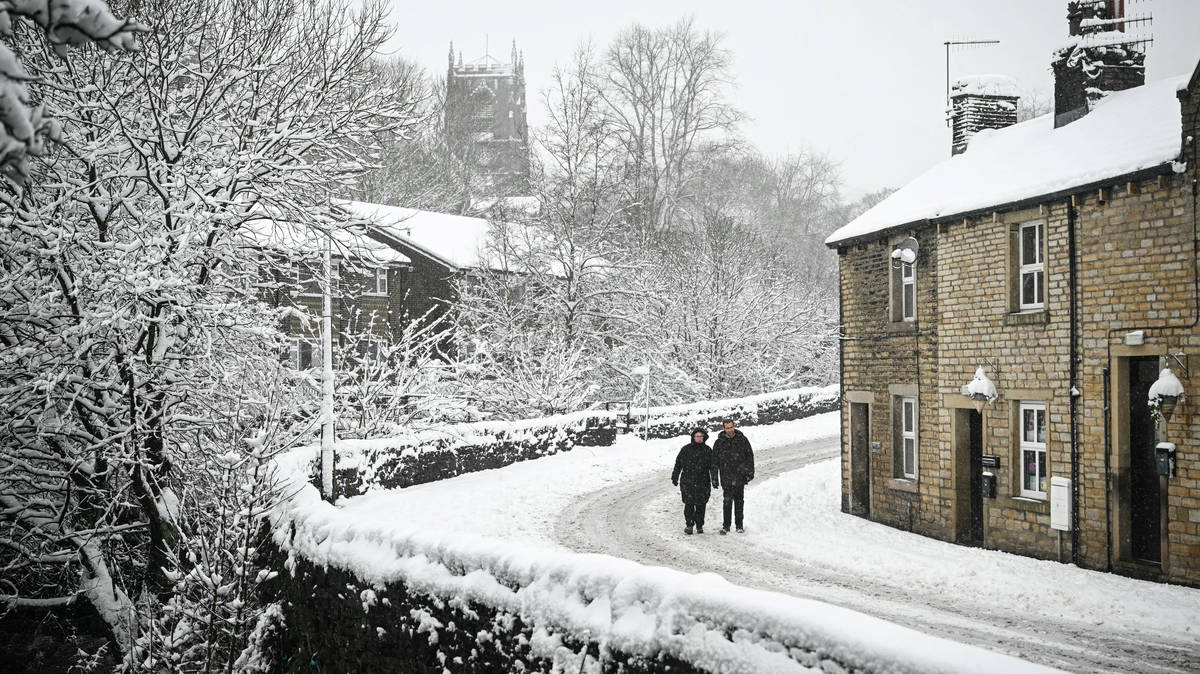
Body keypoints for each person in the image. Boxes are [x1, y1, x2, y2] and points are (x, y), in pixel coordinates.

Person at [671, 429, 718, 535]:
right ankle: (689, 524)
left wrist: (714, 479)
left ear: (704, 437)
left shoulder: (708, 450)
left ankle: (700, 525)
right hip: (688, 481)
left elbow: (713, 467)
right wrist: (675, 476)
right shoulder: (686, 450)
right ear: (693, 437)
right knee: (689, 504)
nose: (699, 438)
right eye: (697, 436)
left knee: (701, 504)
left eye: (701, 436)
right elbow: (678, 464)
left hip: (703, 482)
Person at [713, 419, 754, 534]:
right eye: (727, 428)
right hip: (726, 477)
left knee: (739, 501)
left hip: (740, 476)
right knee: (727, 502)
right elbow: (714, 462)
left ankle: (739, 525)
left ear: (734, 427)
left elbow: (749, 456)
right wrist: (714, 477)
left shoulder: (742, 440)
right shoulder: (719, 443)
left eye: (731, 427)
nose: (730, 430)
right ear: (724, 429)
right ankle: (726, 526)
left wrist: (750, 472)